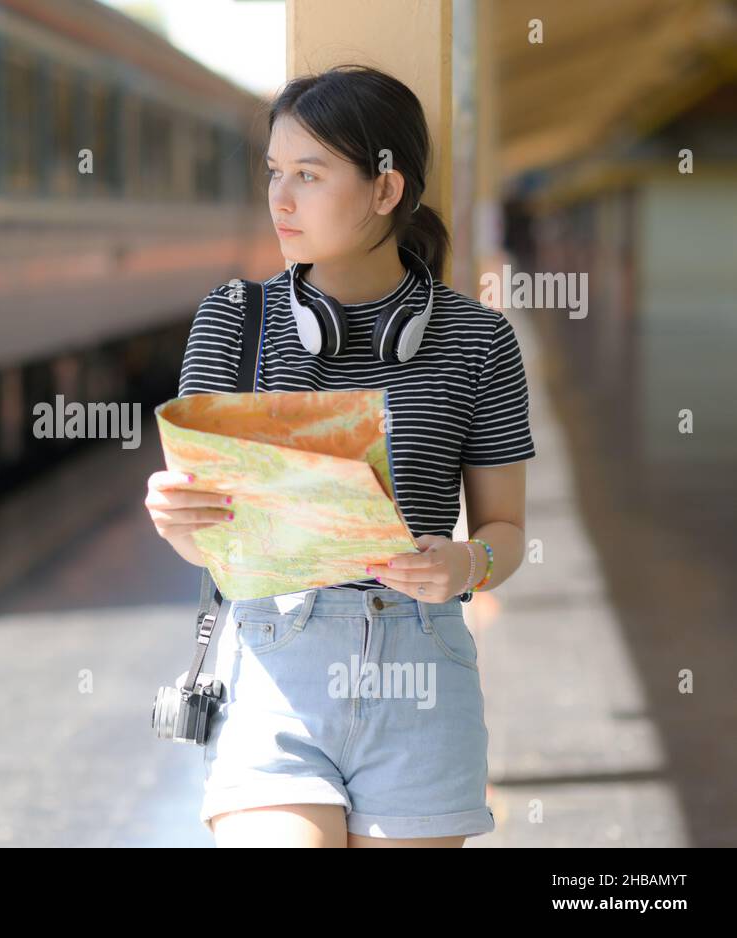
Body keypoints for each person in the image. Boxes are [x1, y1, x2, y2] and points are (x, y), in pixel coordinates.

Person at [145, 64, 536, 848]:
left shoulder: (479, 340)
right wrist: (176, 520)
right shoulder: (233, 321)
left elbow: (506, 532)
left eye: (309, 175)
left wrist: (468, 566)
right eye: (274, 173)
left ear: (386, 189)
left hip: (421, 672)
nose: (280, 199)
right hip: (275, 667)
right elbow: (212, 548)